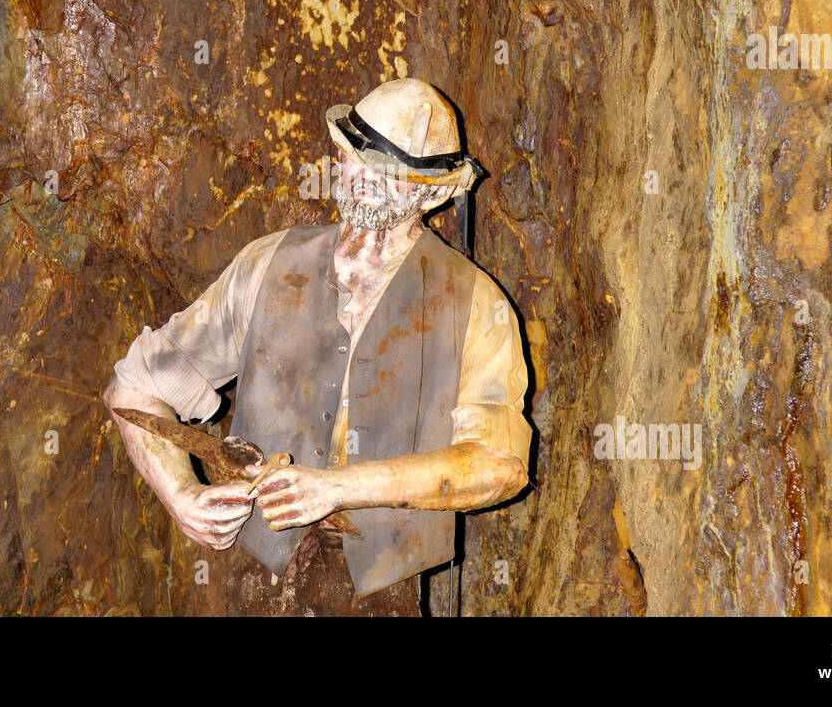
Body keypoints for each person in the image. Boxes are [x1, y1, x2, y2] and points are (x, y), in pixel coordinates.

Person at [104, 77, 532, 615]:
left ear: (436, 192)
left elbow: (499, 464)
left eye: (392, 172)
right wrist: (181, 495)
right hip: (245, 581)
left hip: (377, 594)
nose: (369, 178)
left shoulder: (475, 304)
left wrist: (338, 488)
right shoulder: (268, 264)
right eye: (358, 157)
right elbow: (134, 386)